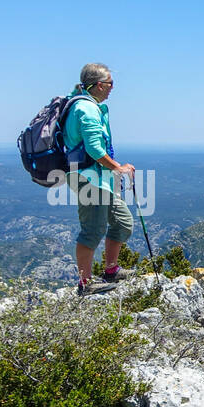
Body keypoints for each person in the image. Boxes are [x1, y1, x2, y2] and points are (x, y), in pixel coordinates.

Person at [64, 63, 136, 294]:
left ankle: (111, 270)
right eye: (110, 84)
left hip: (99, 179)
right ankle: (85, 284)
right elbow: (95, 149)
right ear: (97, 85)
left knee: (123, 222)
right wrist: (119, 168)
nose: (112, 88)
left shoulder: (89, 106)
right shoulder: (86, 109)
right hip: (88, 179)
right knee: (93, 230)